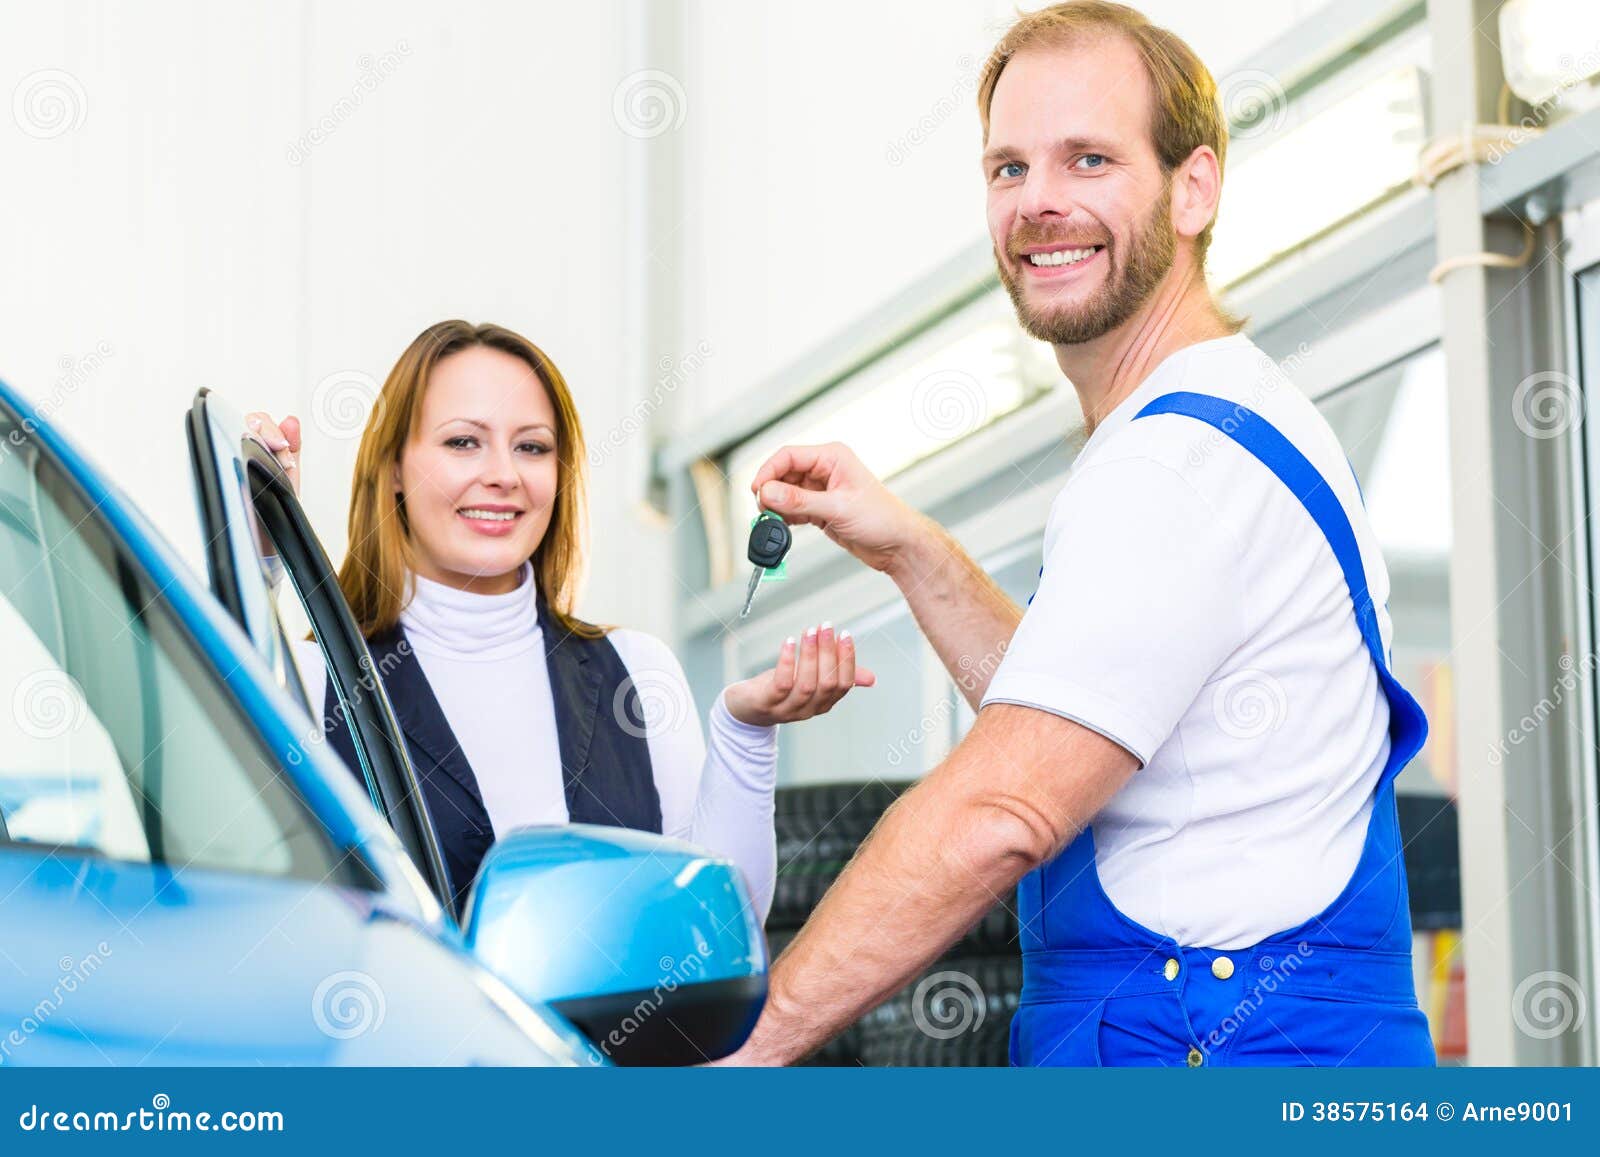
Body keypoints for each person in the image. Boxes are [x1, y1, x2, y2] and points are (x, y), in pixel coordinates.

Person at [720, 1, 1433, 1067]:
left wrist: (746, 1050)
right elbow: (1081, 705)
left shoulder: (1175, 462)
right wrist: (912, 549)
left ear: (1193, 188)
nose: (1039, 201)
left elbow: (1004, 805)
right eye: (1008, 168)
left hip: (1216, 1056)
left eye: (1088, 159)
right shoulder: (1214, 422)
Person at [248, 320, 872, 915]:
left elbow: (719, 922)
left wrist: (746, 731)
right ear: (392, 470)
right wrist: (256, 555)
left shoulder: (637, 670)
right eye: (463, 442)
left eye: (532, 447)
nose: (503, 475)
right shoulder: (310, 679)